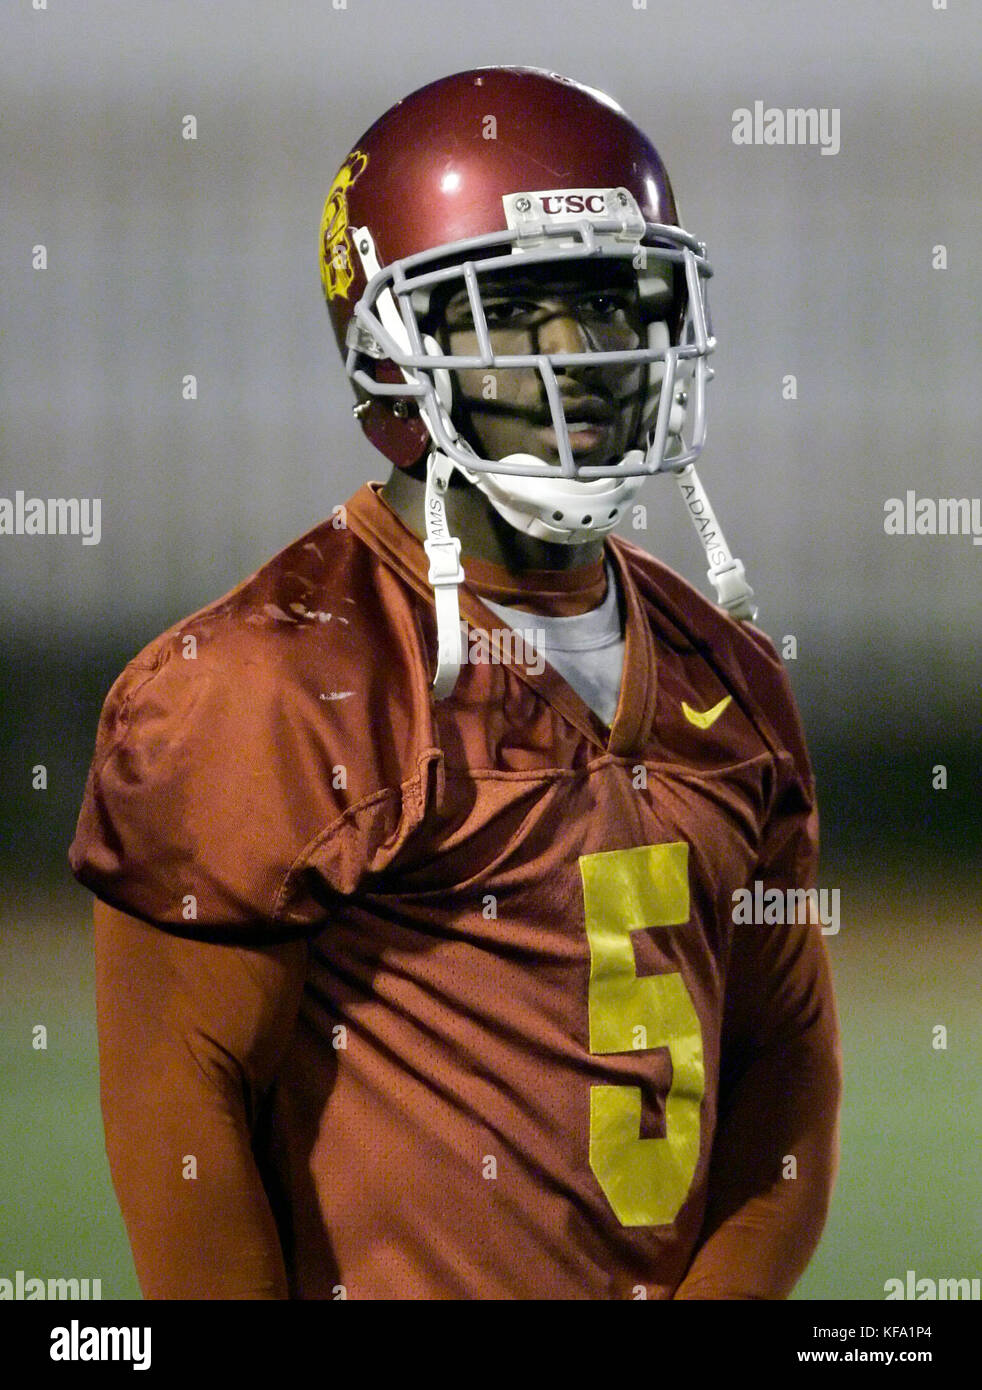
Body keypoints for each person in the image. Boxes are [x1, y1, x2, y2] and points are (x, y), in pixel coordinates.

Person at [70, 66, 842, 1300]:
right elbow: (184, 1122)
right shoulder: (259, 682)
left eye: (605, 297)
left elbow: (783, 1075)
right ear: (392, 344)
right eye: (516, 307)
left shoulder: (731, 676)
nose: (581, 354)